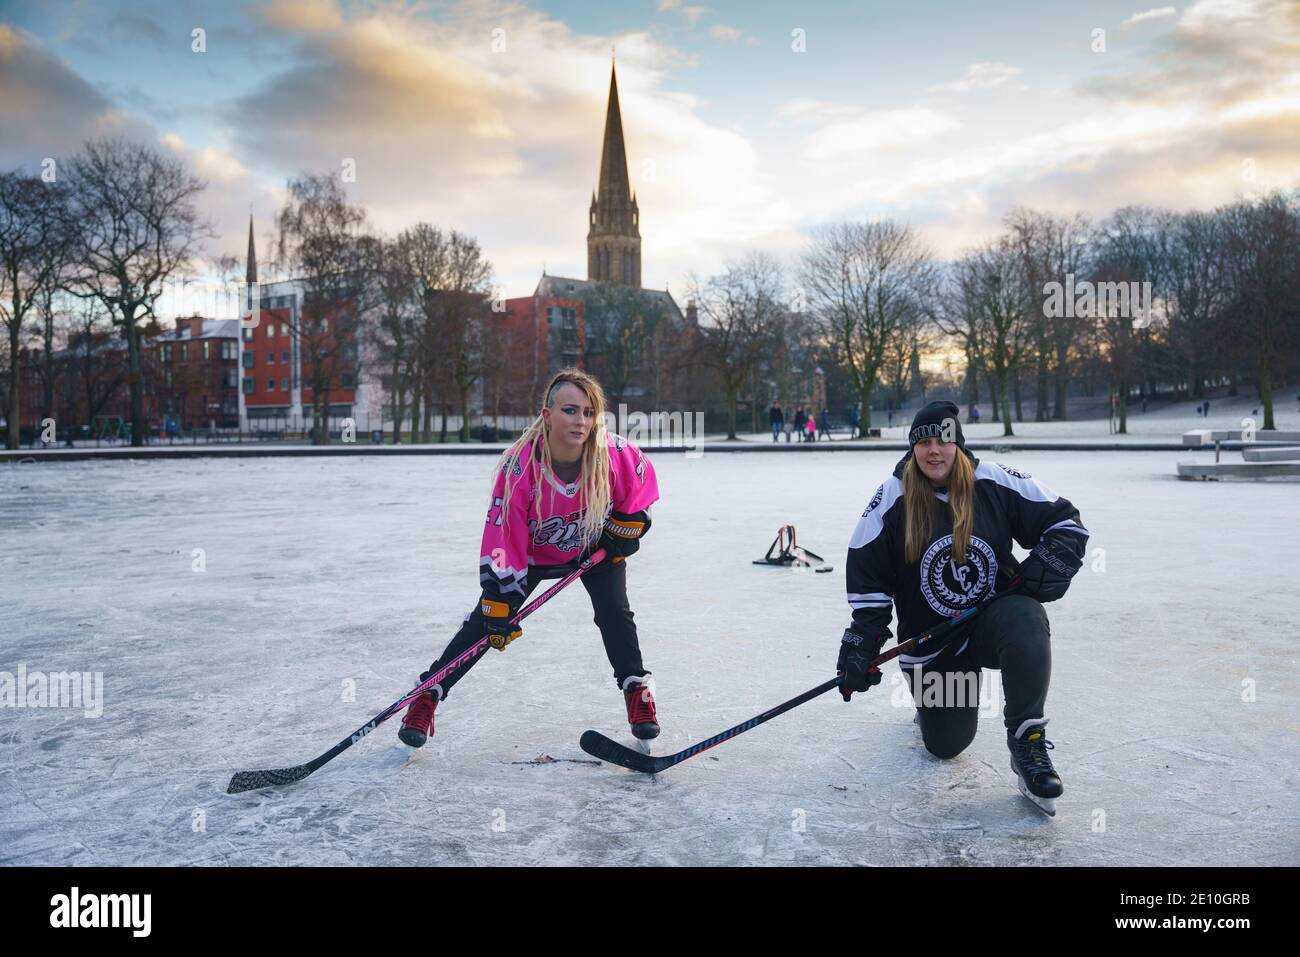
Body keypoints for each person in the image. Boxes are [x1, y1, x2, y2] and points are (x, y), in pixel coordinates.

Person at [837, 400, 1089, 815]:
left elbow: (1065, 523)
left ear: (959, 445)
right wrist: (860, 643)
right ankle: (929, 712)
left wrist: (1049, 563)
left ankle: (1028, 743)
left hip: (990, 621)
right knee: (949, 745)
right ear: (912, 449)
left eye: (944, 440)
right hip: (934, 646)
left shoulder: (992, 480)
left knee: (1025, 616)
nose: (934, 450)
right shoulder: (891, 496)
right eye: (924, 442)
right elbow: (868, 578)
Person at [398, 369, 662, 748]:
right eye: (570, 410)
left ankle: (636, 690)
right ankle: (427, 695)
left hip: (593, 546)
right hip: (533, 556)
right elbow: (503, 534)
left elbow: (640, 495)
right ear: (547, 414)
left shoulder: (613, 453)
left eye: (589, 412)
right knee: (483, 626)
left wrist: (627, 528)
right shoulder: (520, 468)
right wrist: (499, 598)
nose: (581, 421)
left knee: (614, 612)